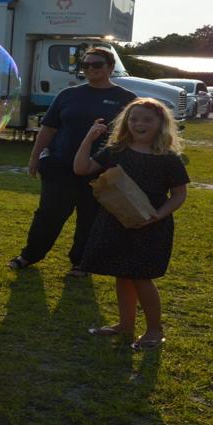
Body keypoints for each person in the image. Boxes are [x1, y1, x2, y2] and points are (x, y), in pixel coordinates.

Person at [73, 98, 189, 351]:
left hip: (151, 225)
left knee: (141, 277)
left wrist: (158, 215)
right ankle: (126, 325)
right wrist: (88, 139)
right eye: (134, 118)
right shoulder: (116, 151)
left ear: (160, 124)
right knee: (123, 274)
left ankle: (154, 331)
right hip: (116, 221)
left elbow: (179, 194)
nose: (139, 124)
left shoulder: (169, 159)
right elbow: (82, 168)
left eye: (147, 119)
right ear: (126, 122)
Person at [10, 46, 136, 277]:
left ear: (110, 67)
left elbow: (133, 135)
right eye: (85, 65)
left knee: (90, 218)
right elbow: (48, 128)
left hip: (98, 170)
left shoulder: (126, 99)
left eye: (96, 64)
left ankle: (81, 263)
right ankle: (29, 256)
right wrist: (35, 157)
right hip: (60, 166)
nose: (90, 69)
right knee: (48, 214)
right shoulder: (68, 95)